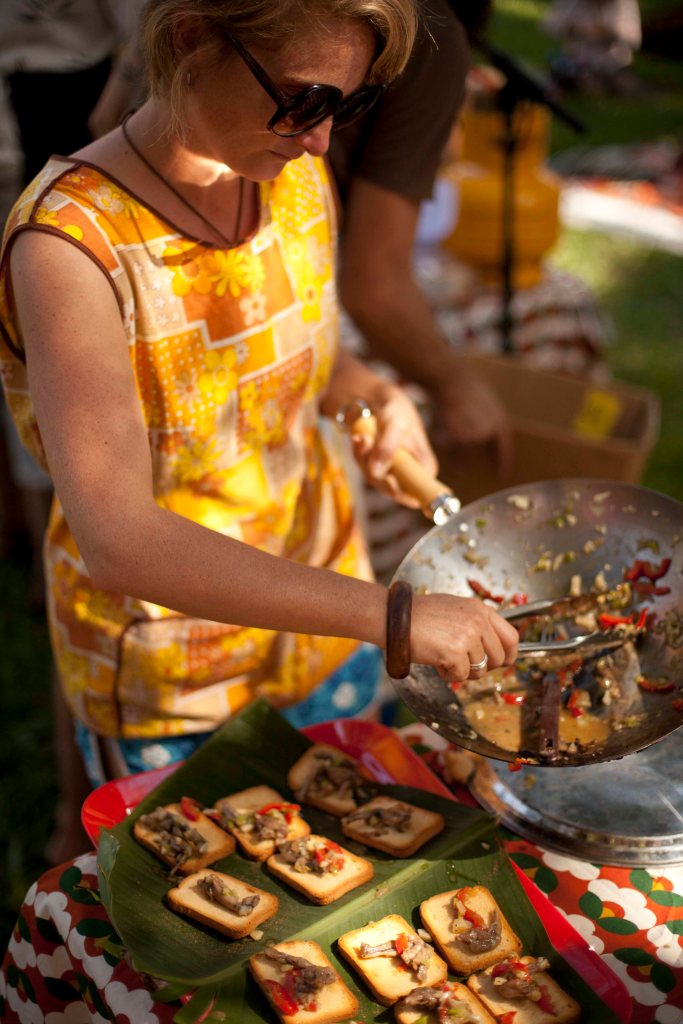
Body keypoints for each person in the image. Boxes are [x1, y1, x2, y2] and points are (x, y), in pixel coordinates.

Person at [0, 0, 518, 793]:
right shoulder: (69, 245)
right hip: (178, 687)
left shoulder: (296, 178)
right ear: (191, 40)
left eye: (346, 105)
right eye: (303, 99)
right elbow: (119, 538)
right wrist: (393, 616)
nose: (320, 138)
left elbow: (311, 351)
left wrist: (372, 394)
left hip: (321, 640)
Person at [329, 0, 513, 473]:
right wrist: (455, 386)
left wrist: (368, 389)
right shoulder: (426, 30)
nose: (314, 140)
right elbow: (374, 288)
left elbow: (107, 116)